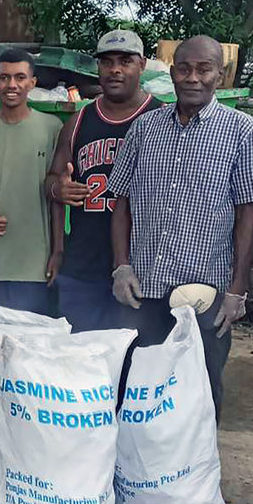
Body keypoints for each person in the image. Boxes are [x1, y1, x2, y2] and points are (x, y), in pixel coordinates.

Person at [109, 35, 253, 421]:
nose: (193, 78)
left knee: (199, 392)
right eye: (184, 68)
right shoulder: (145, 128)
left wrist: (237, 290)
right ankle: (135, 479)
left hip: (206, 295)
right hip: (143, 289)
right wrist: (121, 266)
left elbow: (248, 215)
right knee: (135, 389)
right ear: (172, 73)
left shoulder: (242, 131)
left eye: (204, 69)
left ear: (221, 74)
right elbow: (121, 202)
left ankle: (195, 479)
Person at [45, 30, 162, 331]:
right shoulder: (79, 121)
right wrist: (60, 189)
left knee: (134, 361)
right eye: (107, 62)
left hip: (142, 264)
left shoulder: (162, 118)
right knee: (81, 359)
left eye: (126, 61)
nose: (116, 70)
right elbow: (52, 183)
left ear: (142, 64)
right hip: (84, 260)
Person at [0, 47, 61, 314]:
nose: (12, 85)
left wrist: (58, 252)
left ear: (32, 83)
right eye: (4, 77)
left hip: (36, 266)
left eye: (20, 77)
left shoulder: (52, 127)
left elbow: (58, 199)